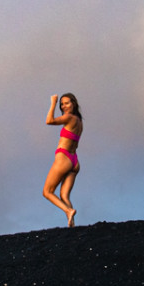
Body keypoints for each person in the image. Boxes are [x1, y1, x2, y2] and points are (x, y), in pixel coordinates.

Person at [43, 92, 83, 227]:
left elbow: (49, 121)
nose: (64, 106)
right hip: (74, 162)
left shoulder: (69, 118)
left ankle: (68, 210)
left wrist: (53, 103)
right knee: (64, 196)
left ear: (74, 104)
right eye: (62, 104)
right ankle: (72, 225)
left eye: (67, 103)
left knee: (47, 192)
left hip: (64, 158)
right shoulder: (79, 121)